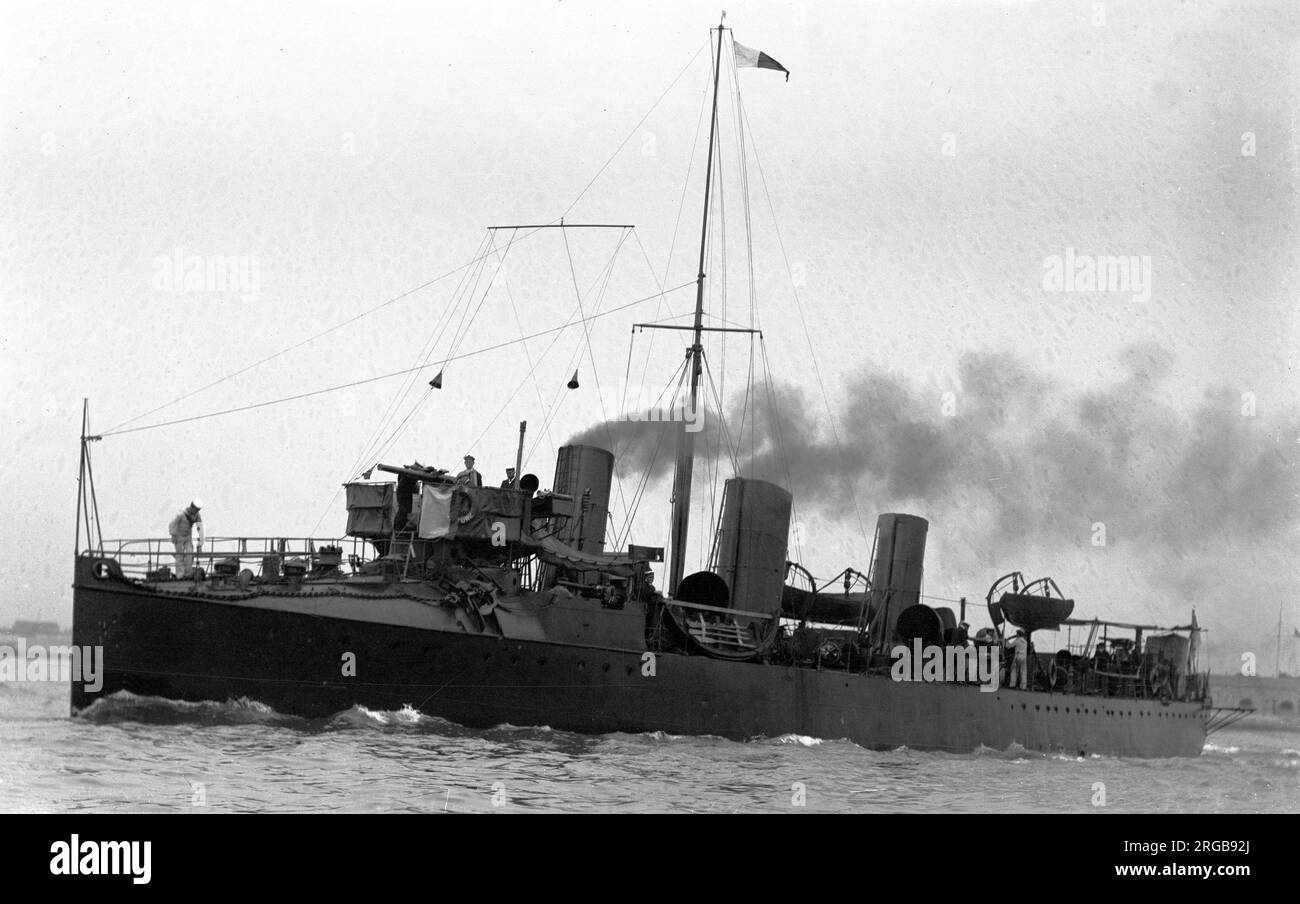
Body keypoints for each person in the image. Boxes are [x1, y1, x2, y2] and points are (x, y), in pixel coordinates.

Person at [168, 499, 204, 577]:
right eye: (196, 509)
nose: (197, 511)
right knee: (179, 556)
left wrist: (200, 543)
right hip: (179, 536)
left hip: (188, 537)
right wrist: (173, 535)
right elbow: (172, 524)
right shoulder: (181, 514)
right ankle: (180, 575)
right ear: (192, 507)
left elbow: (199, 528)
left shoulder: (197, 515)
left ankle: (188, 574)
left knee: (190, 554)